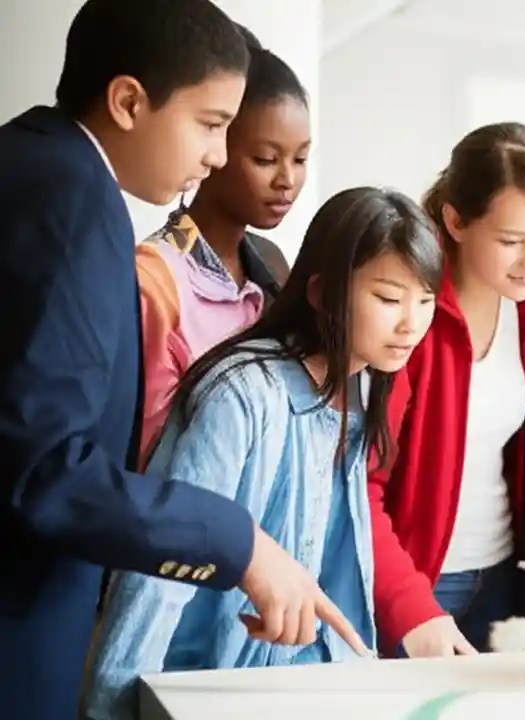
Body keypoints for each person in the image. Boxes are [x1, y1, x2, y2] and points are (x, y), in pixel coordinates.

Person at [0, 3, 355, 718]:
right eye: (212, 124)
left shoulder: (35, 162)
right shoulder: (73, 197)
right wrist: (241, 544)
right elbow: (43, 470)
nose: (217, 156)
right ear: (129, 101)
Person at [84, 187, 440, 719]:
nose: (411, 323)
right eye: (389, 299)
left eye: (425, 300)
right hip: (212, 689)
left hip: (314, 688)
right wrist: (108, 710)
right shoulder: (244, 394)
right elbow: (157, 575)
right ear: (321, 293)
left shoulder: (366, 388)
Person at [369, 123, 525, 657]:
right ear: (456, 221)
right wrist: (409, 604)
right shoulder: (407, 315)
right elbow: (358, 485)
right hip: (417, 586)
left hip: (506, 577)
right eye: (511, 241)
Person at [136, 30, 311, 464]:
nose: (287, 180)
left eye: (301, 158)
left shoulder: (272, 266)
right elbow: (142, 453)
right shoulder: (155, 282)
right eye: (266, 159)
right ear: (214, 146)